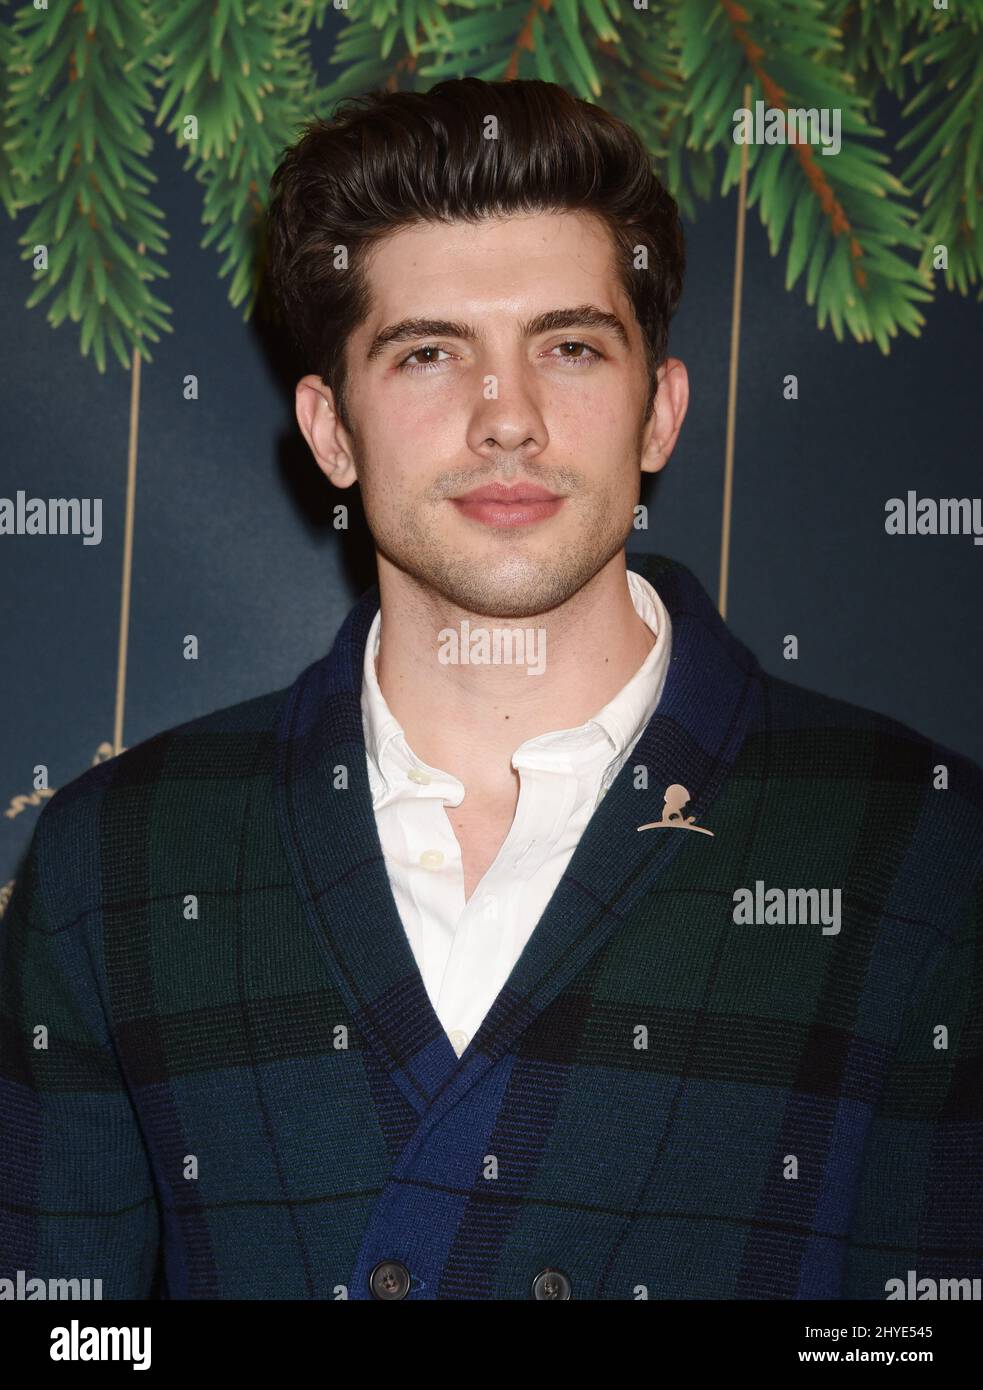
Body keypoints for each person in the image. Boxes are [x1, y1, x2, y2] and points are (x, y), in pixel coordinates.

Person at [1, 78, 980, 1302]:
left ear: (659, 411)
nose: (504, 418)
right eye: (426, 354)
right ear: (332, 432)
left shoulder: (924, 848)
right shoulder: (120, 857)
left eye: (568, 347)